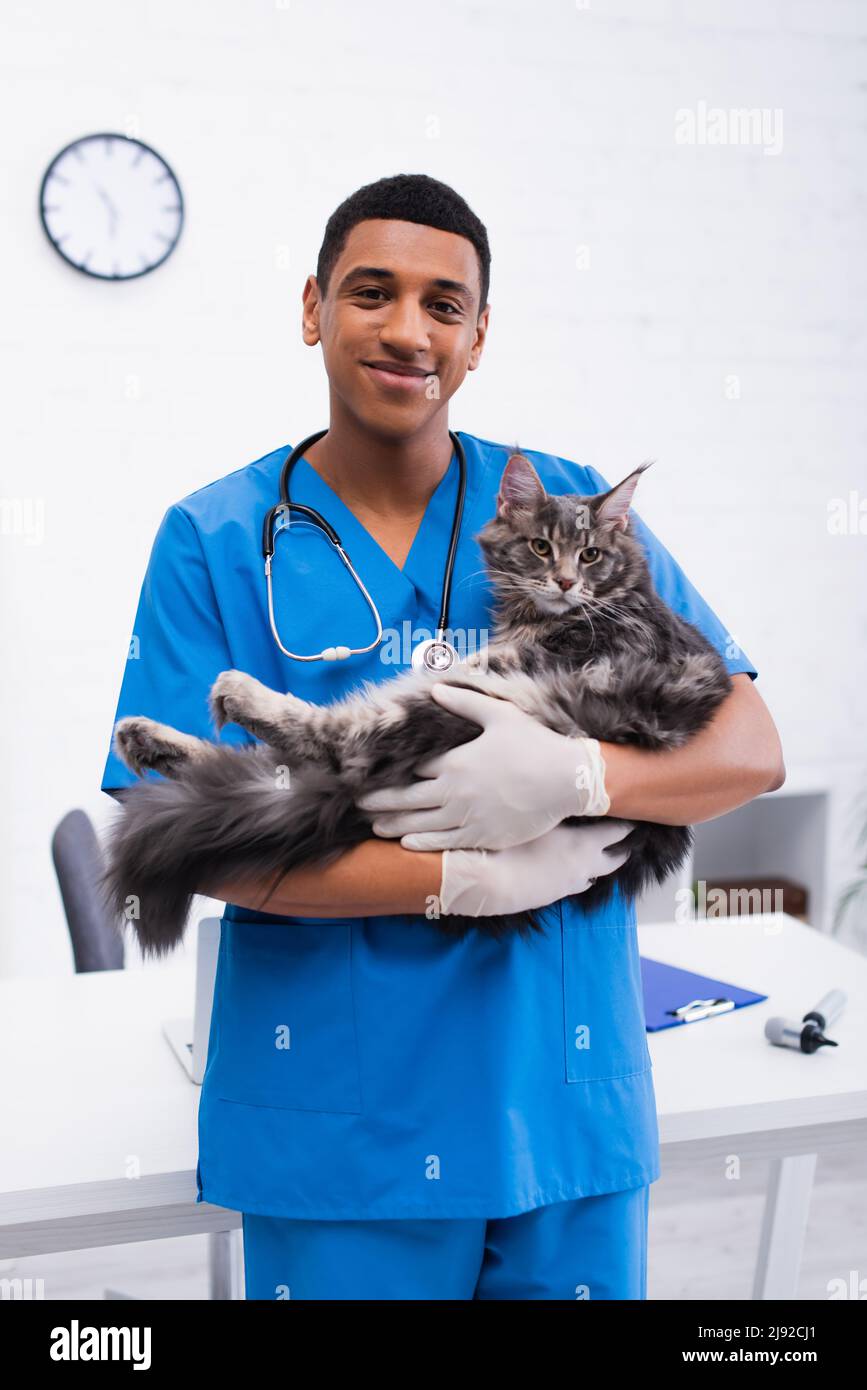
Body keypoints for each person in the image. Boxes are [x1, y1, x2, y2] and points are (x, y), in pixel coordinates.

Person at [101, 173, 785, 1301]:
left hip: (563, 1106)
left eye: (445, 304)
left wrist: (581, 773)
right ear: (313, 307)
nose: (409, 329)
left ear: (476, 340)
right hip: (344, 1127)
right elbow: (188, 843)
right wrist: (461, 878)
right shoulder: (213, 537)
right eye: (373, 292)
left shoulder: (564, 506)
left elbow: (748, 747)